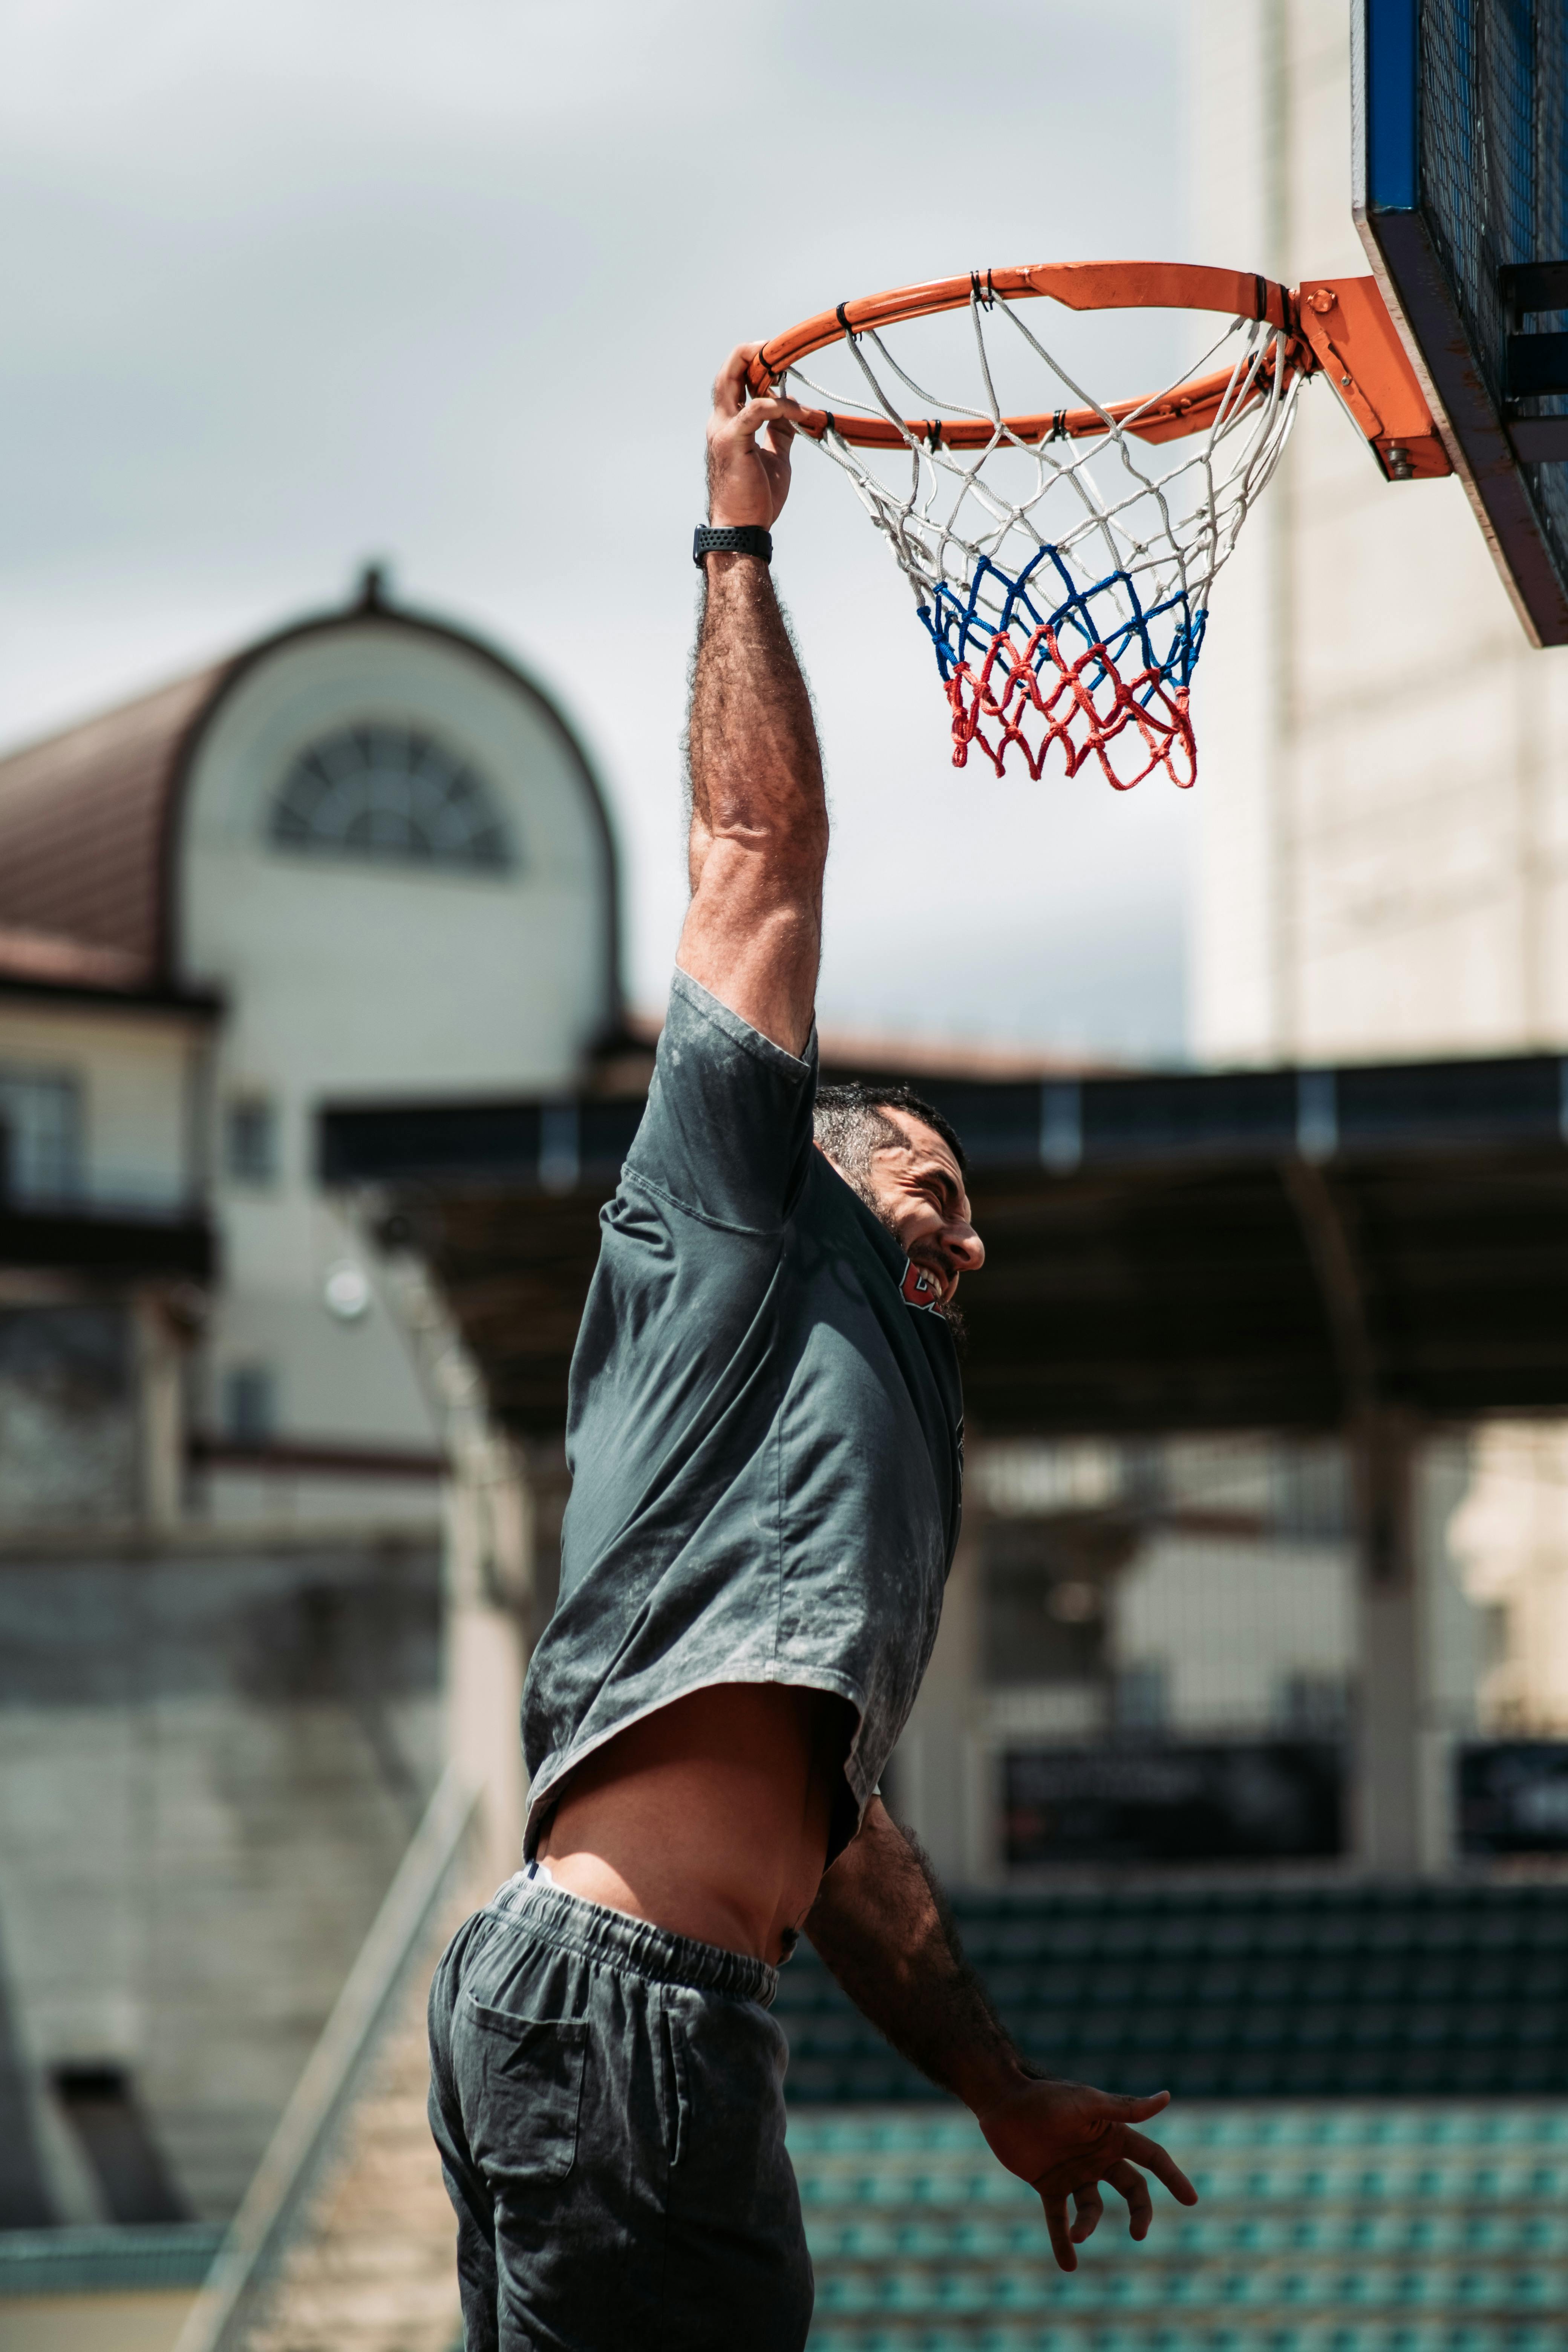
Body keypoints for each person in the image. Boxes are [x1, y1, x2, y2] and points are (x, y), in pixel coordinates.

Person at [427, 344, 1197, 2352]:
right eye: (930, 1184)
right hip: (618, 2012)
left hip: (654, 2018)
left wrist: (1001, 2090)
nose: (972, 1222)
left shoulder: (866, 1460)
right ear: (822, 1170)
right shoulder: (736, 1217)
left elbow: (850, 1859)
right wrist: (738, 541)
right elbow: (755, 857)